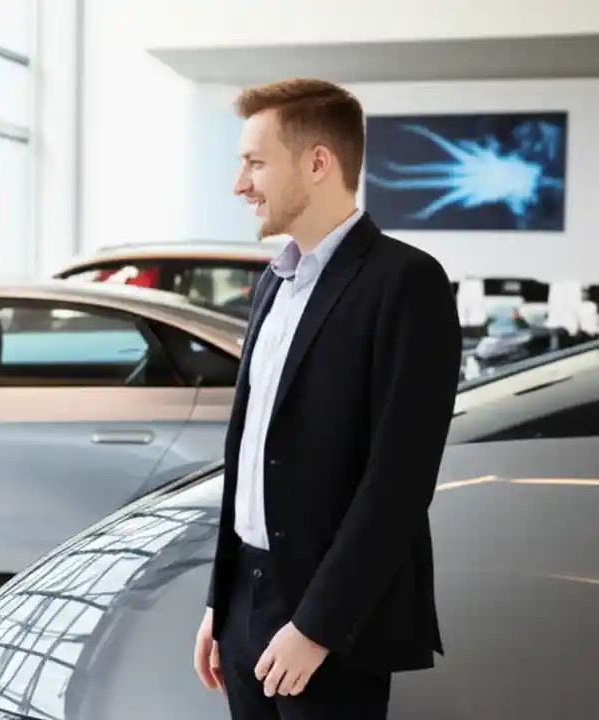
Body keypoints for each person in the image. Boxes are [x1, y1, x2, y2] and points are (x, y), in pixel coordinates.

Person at [191, 78, 462, 719]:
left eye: (255, 163)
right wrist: (220, 601)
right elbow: (251, 450)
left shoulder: (407, 282)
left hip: (330, 622)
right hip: (244, 601)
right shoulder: (272, 284)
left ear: (318, 163)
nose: (240, 184)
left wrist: (316, 626)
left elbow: (398, 482)